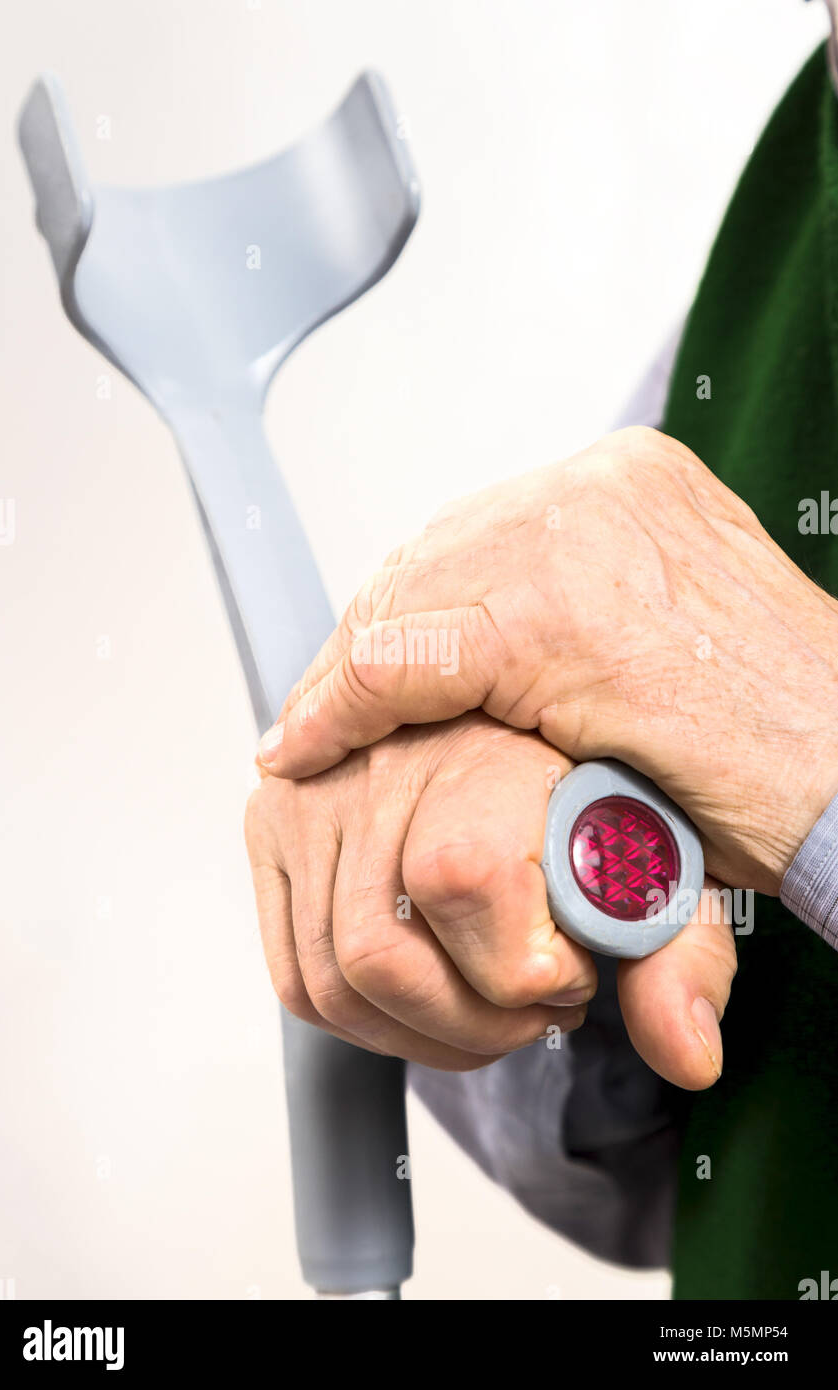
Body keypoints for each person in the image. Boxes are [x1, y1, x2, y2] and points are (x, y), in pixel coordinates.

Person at [246, 14, 838, 1297]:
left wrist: (808, 735)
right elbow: (641, 1144)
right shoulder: (792, 193)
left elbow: (762, 697)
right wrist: (505, 840)